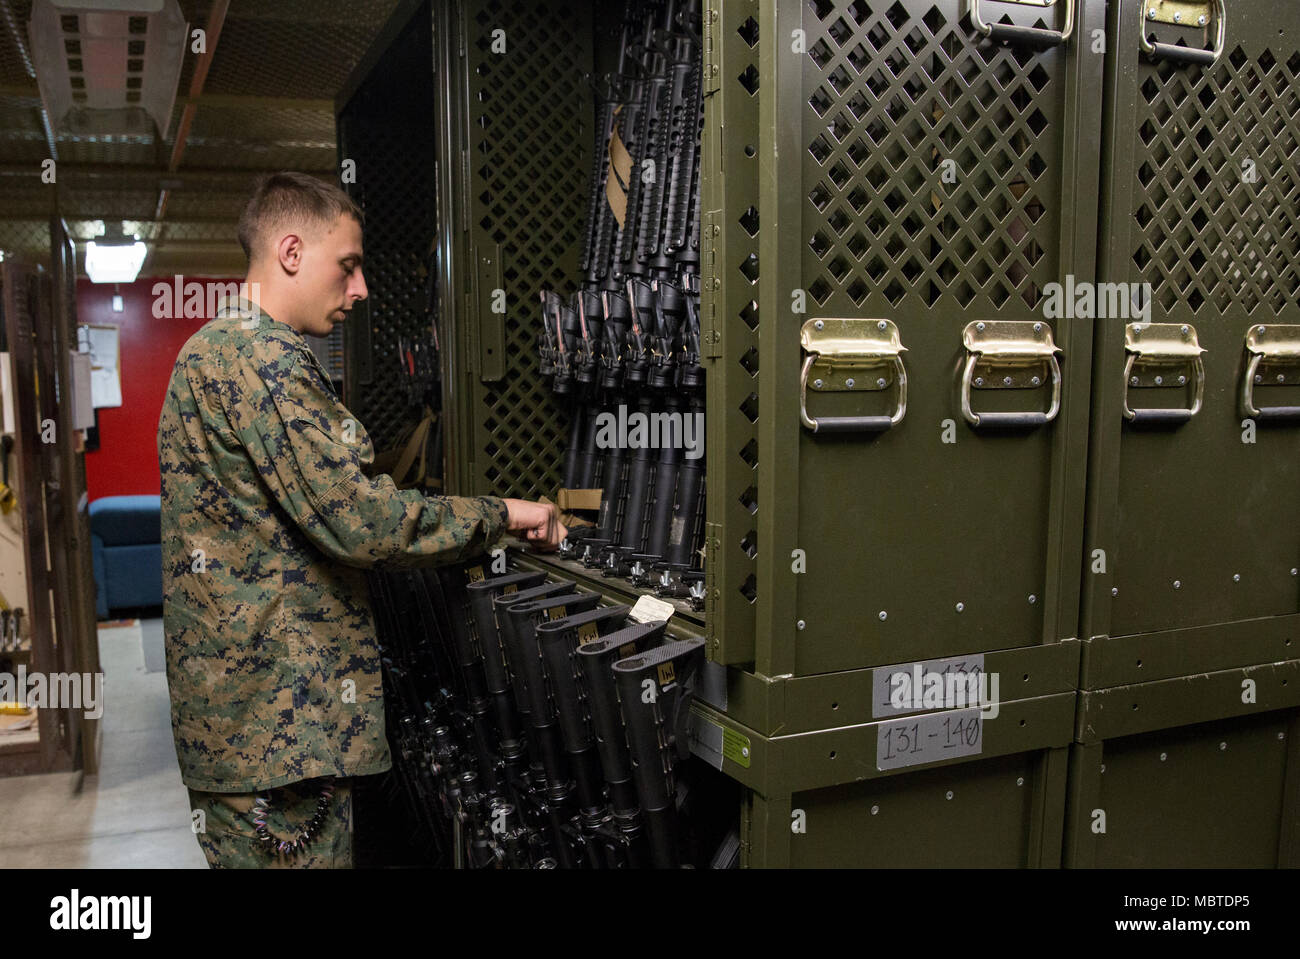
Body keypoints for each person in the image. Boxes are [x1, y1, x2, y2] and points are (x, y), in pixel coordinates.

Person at [157, 171, 565, 868]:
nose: (361, 289)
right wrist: (506, 514)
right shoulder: (261, 358)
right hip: (276, 746)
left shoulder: (215, 349)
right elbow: (365, 522)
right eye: (347, 266)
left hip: (251, 737)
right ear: (290, 251)